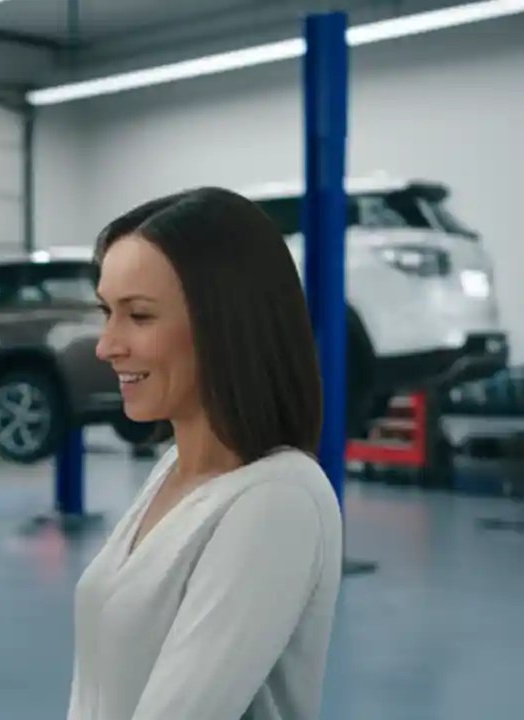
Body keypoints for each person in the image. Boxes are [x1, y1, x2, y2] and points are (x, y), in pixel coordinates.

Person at [67, 187, 343, 720]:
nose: (106, 345)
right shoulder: (174, 468)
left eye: (139, 316)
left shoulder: (275, 503)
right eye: (107, 312)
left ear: (225, 326)